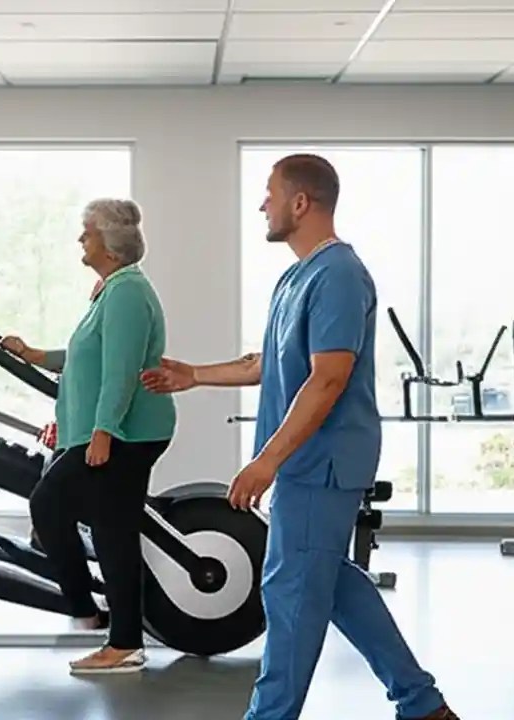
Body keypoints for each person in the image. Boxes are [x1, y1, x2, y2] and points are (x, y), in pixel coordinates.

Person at [139, 154, 459, 720]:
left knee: (289, 591)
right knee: (332, 584)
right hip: (303, 463)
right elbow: (268, 362)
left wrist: (266, 460)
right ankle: (422, 703)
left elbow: (328, 378)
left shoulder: (339, 275)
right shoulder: (296, 277)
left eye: (271, 193)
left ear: (301, 202)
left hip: (322, 463)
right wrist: (195, 375)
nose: (263, 204)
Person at [0, 198, 176, 675]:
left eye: (88, 233)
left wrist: (104, 432)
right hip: (113, 432)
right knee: (111, 533)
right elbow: (86, 356)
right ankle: (118, 637)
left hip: (128, 434)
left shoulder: (126, 293)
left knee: (52, 505)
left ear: (110, 247)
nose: (81, 239)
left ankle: (91, 615)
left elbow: (120, 370)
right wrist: (34, 354)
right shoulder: (112, 290)